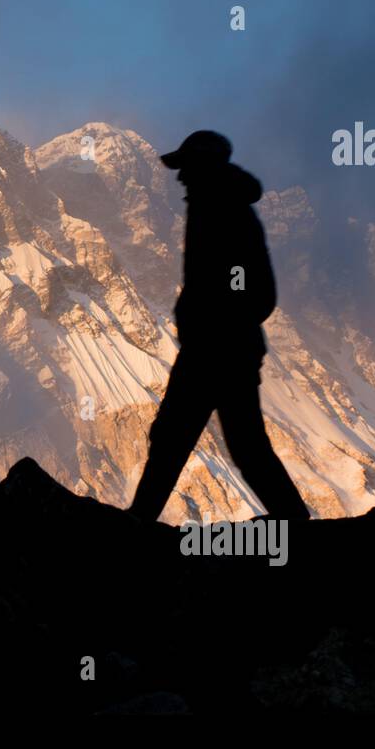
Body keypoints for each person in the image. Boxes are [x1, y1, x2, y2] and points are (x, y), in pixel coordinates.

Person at [129, 130, 310, 522]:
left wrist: (219, 312)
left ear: (203, 167)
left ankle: (140, 520)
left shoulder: (223, 212)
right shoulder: (217, 208)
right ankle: (292, 518)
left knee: (175, 435)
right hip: (224, 346)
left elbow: (247, 280)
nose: (180, 179)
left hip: (218, 348)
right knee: (238, 443)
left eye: (186, 169)